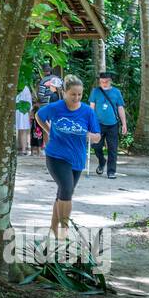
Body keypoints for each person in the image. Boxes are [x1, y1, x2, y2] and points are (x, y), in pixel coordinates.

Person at [35, 74, 101, 238]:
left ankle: (53, 228)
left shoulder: (87, 111)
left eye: (79, 94)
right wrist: (49, 130)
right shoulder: (56, 107)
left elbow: (97, 136)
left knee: (63, 194)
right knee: (66, 190)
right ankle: (64, 231)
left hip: (77, 159)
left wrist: (90, 136)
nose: (76, 97)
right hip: (56, 156)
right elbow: (39, 116)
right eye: (73, 94)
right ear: (64, 92)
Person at [88, 70, 127, 178]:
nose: (104, 83)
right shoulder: (95, 91)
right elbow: (91, 108)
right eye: (102, 81)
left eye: (106, 81)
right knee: (96, 146)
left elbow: (120, 108)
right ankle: (101, 162)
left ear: (110, 81)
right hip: (98, 124)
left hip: (113, 124)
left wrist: (124, 124)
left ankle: (111, 171)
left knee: (112, 148)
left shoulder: (116, 92)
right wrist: (90, 123)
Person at [15, 83, 34, 155]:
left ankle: (20, 149)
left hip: (17, 110)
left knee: (20, 130)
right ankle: (23, 149)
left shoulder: (15, 87)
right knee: (23, 131)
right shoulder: (25, 88)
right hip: (24, 111)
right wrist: (30, 112)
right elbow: (29, 102)